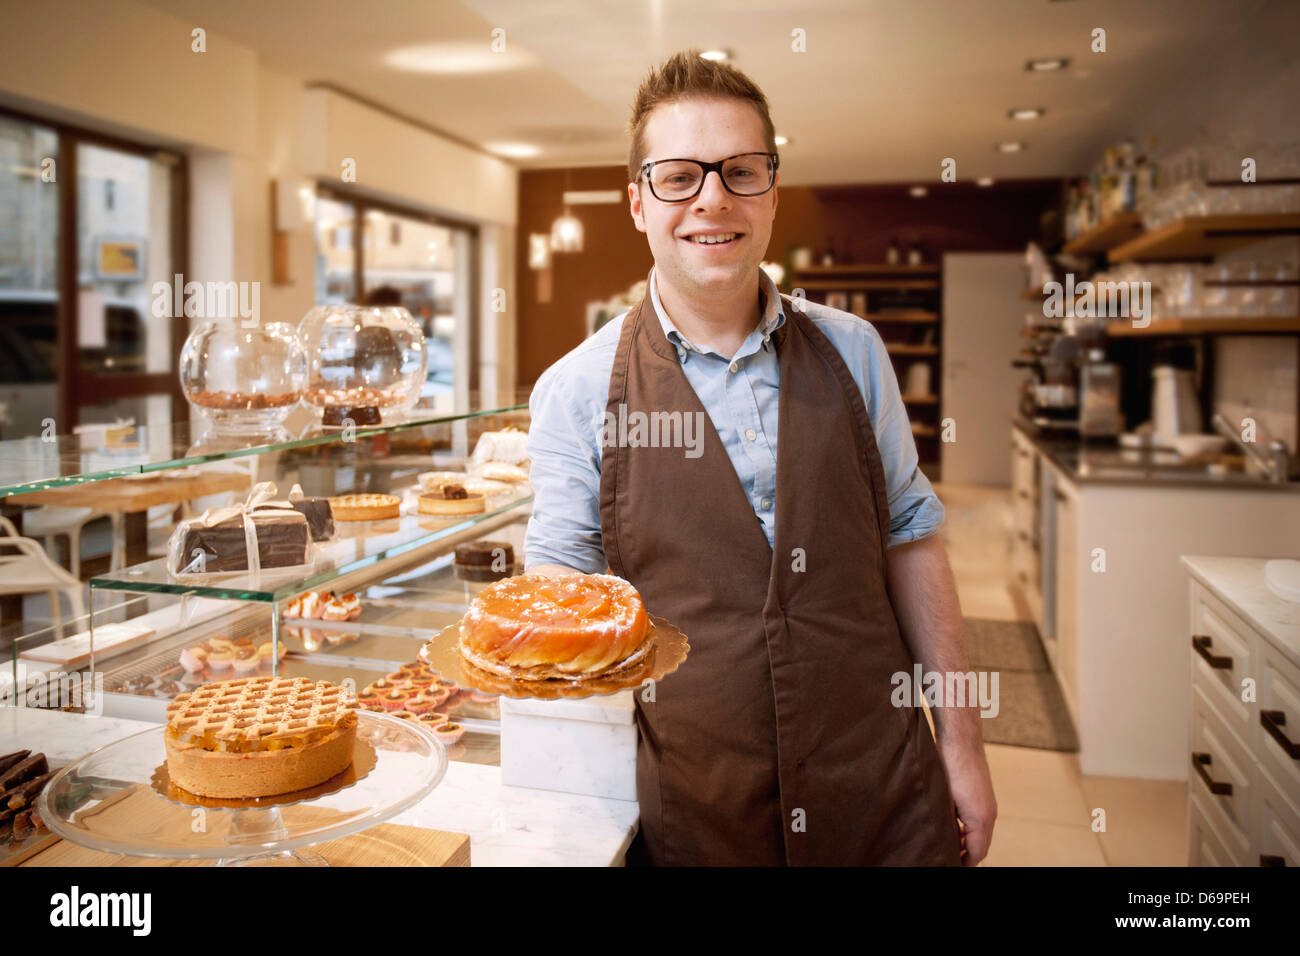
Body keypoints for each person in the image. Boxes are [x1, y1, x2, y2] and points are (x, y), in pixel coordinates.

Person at [523, 49, 996, 866]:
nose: (712, 197)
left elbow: (912, 542)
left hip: (881, 789)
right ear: (638, 202)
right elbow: (562, 604)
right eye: (679, 176)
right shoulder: (575, 390)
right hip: (697, 811)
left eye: (741, 171)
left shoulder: (855, 351)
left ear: (772, 191)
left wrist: (963, 747)